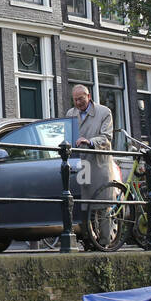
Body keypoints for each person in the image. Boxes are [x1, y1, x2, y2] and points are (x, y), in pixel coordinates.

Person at [65, 85, 118, 242]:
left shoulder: (104, 112)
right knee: (84, 204)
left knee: (103, 204)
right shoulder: (71, 114)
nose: (78, 103)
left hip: (99, 164)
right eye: (75, 100)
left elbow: (107, 137)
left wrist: (90, 142)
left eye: (81, 99)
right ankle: (89, 240)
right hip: (82, 164)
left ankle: (105, 242)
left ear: (89, 96)